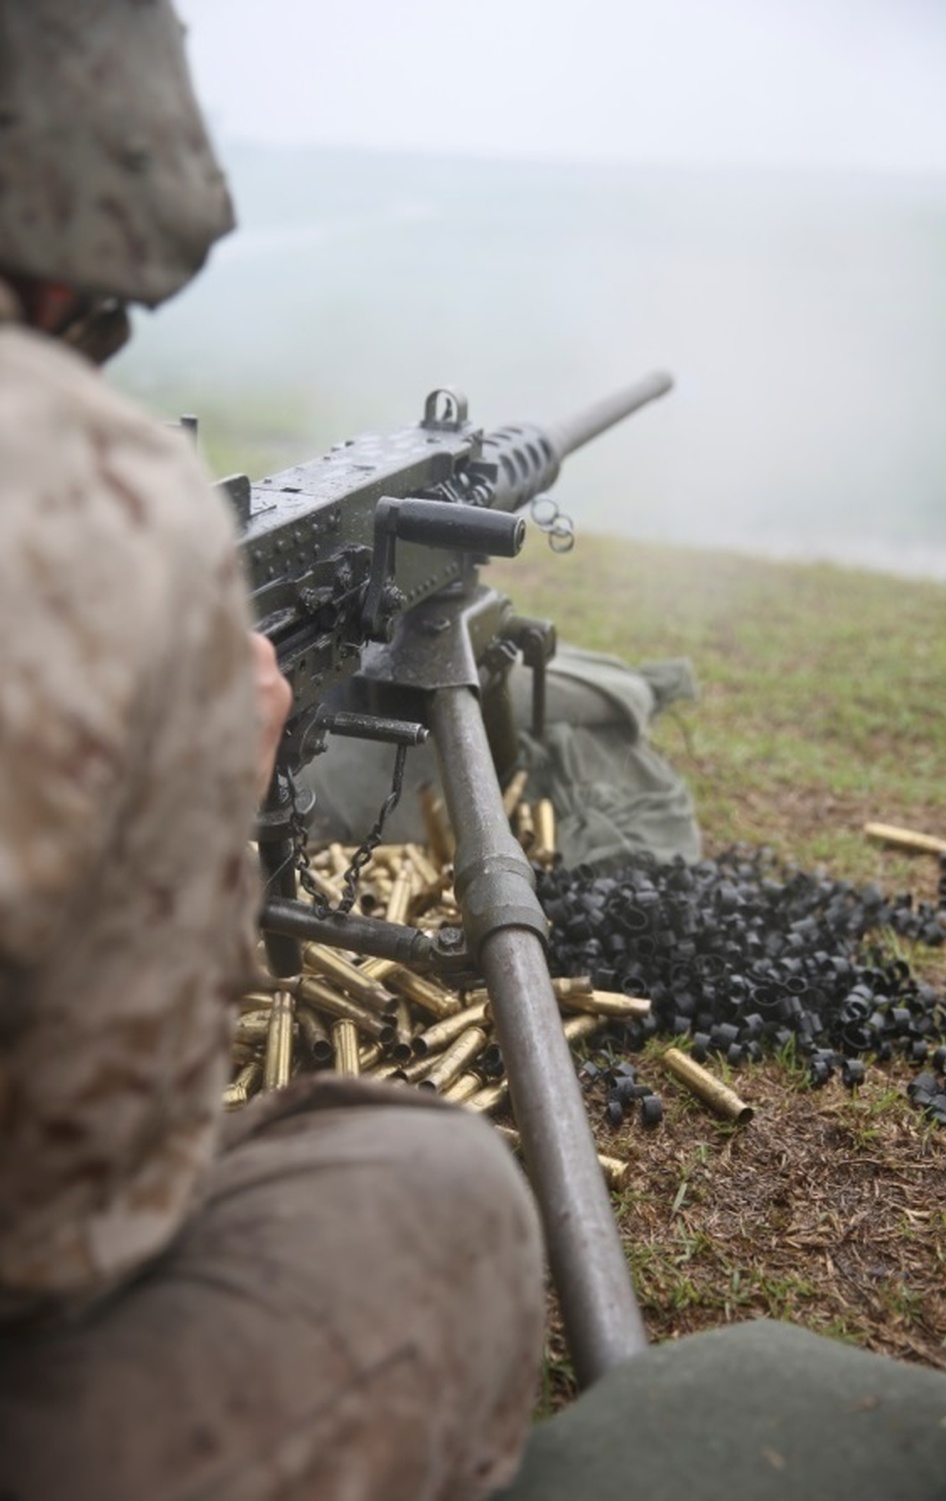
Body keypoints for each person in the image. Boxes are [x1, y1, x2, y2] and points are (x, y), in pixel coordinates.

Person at [0, 4, 544, 1498]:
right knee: (437, 1191)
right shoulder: (89, 498)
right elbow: (79, 1200)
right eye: (90, 325)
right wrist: (189, 808)